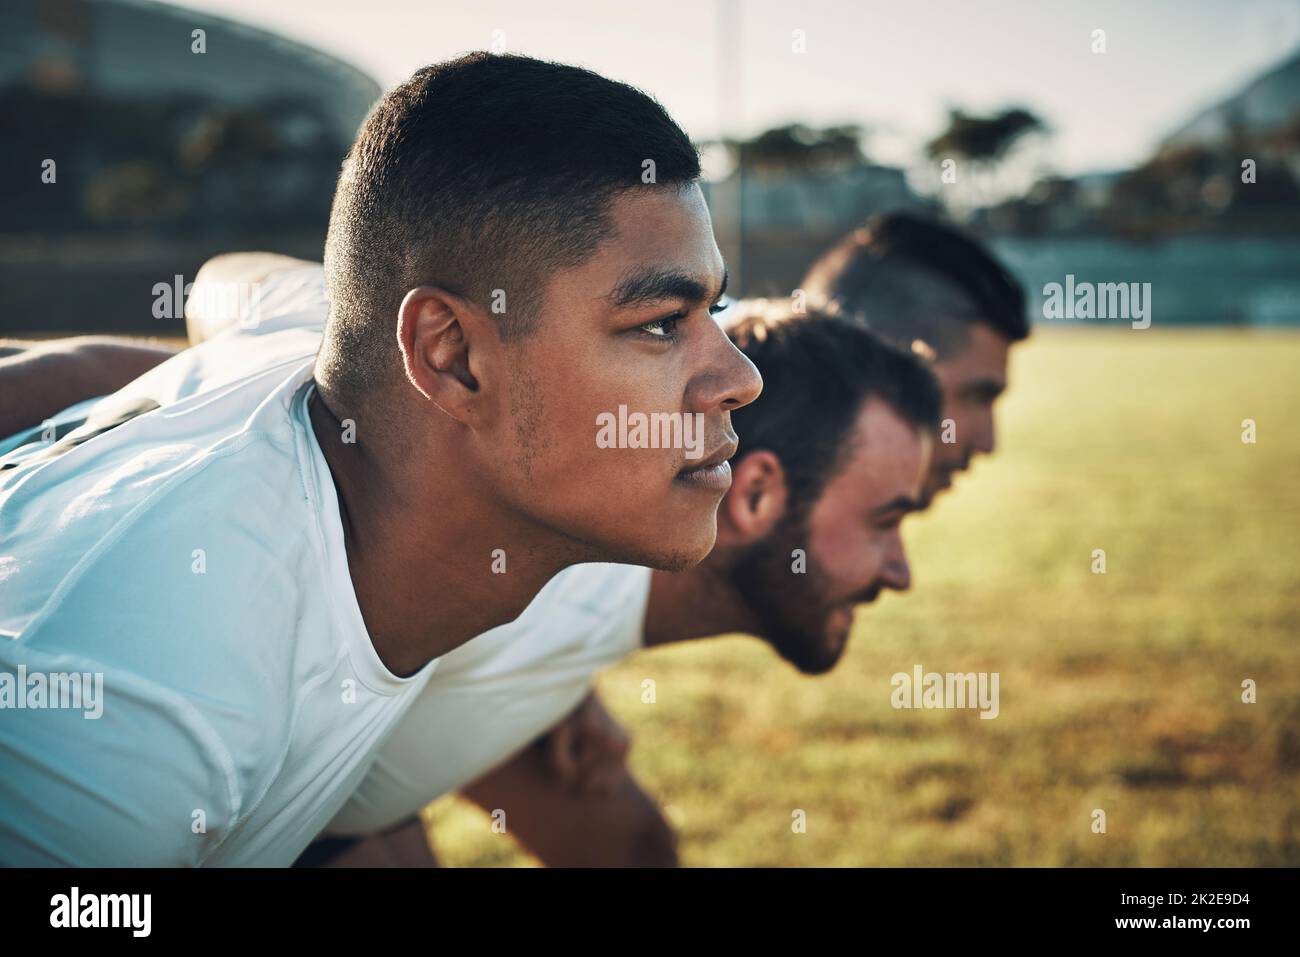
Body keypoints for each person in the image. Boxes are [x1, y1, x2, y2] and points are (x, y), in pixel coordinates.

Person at [0, 52, 760, 866]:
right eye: (660, 321)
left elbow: (236, 284)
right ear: (452, 355)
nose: (740, 379)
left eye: (714, 309)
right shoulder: (154, 689)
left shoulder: (345, 368)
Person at [311, 305, 941, 866]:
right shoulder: (496, 583)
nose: (901, 572)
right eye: (884, 523)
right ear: (754, 494)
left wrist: (565, 689)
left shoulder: (565, 603)